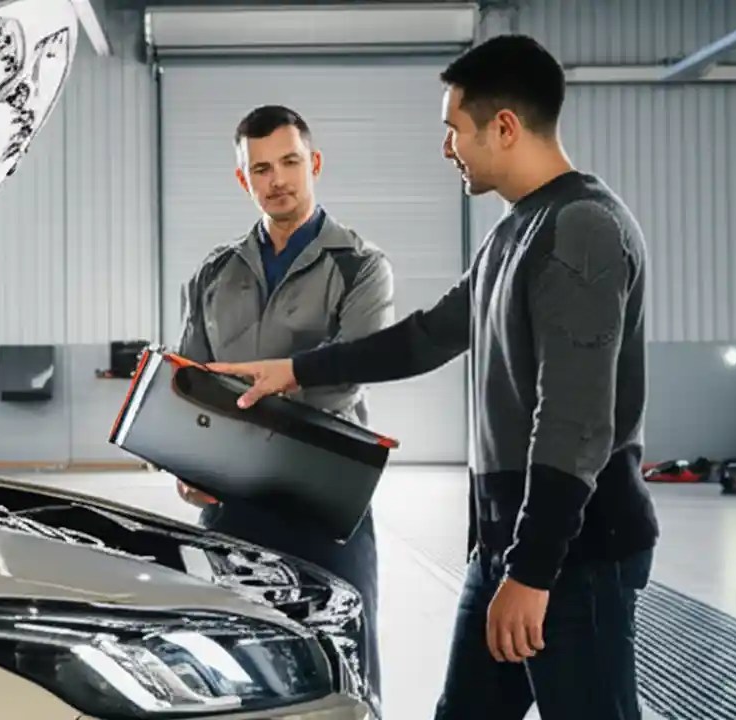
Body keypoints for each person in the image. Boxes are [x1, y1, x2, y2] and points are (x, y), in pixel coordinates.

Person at [206, 36, 660, 720]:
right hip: (505, 545)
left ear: (503, 127)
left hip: (573, 557)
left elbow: (576, 424)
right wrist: (294, 370)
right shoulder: (514, 234)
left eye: (454, 129)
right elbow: (422, 340)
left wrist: (532, 570)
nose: (448, 148)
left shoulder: (583, 229)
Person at [173, 104, 395, 708]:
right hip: (233, 504)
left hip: (326, 499)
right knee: (230, 671)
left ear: (313, 163)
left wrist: (275, 382)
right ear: (244, 179)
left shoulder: (360, 266)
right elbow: (190, 381)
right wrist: (184, 465)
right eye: (261, 168)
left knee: (343, 663)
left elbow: (350, 372)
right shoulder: (213, 274)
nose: (278, 180)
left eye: (290, 162)